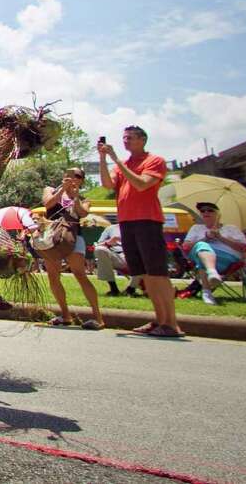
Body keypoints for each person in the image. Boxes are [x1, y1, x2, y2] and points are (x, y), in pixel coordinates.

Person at [98, 126, 180, 337]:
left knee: (158, 273)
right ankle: (159, 319)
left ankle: (171, 323)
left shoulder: (154, 160)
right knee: (145, 275)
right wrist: (103, 159)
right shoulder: (124, 165)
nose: (126, 141)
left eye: (131, 138)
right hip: (127, 222)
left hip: (147, 221)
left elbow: (142, 184)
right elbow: (108, 185)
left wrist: (116, 161)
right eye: (124, 138)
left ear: (143, 139)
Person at [40, 168, 104, 329]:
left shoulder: (84, 199)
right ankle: (65, 315)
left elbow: (82, 213)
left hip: (73, 237)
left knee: (80, 274)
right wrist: (62, 189)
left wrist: (75, 198)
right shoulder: (51, 190)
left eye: (76, 176)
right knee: (53, 276)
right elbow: (47, 203)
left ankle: (98, 318)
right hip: (52, 237)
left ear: (81, 180)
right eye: (68, 174)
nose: (71, 177)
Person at [181, 202, 246, 305]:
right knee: (202, 246)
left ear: (218, 214)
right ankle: (212, 273)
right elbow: (185, 247)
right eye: (203, 211)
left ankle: (207, 292)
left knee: (202, 259)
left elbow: (243, 247)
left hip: (226, 260)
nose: (206, 212)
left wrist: (220, 237)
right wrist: (206, 238)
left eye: (210, 210)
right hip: (201, 255)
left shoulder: (231, 228)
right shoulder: (196, 228)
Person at [94, 222, 143, 296]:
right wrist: (108, 242)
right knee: (99, 249)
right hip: (116, 255)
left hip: (134, 256)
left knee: (143, 254)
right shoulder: (110, 228)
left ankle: (131, 289)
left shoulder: (140, 228)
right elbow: (98, 244)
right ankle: (113, 288)